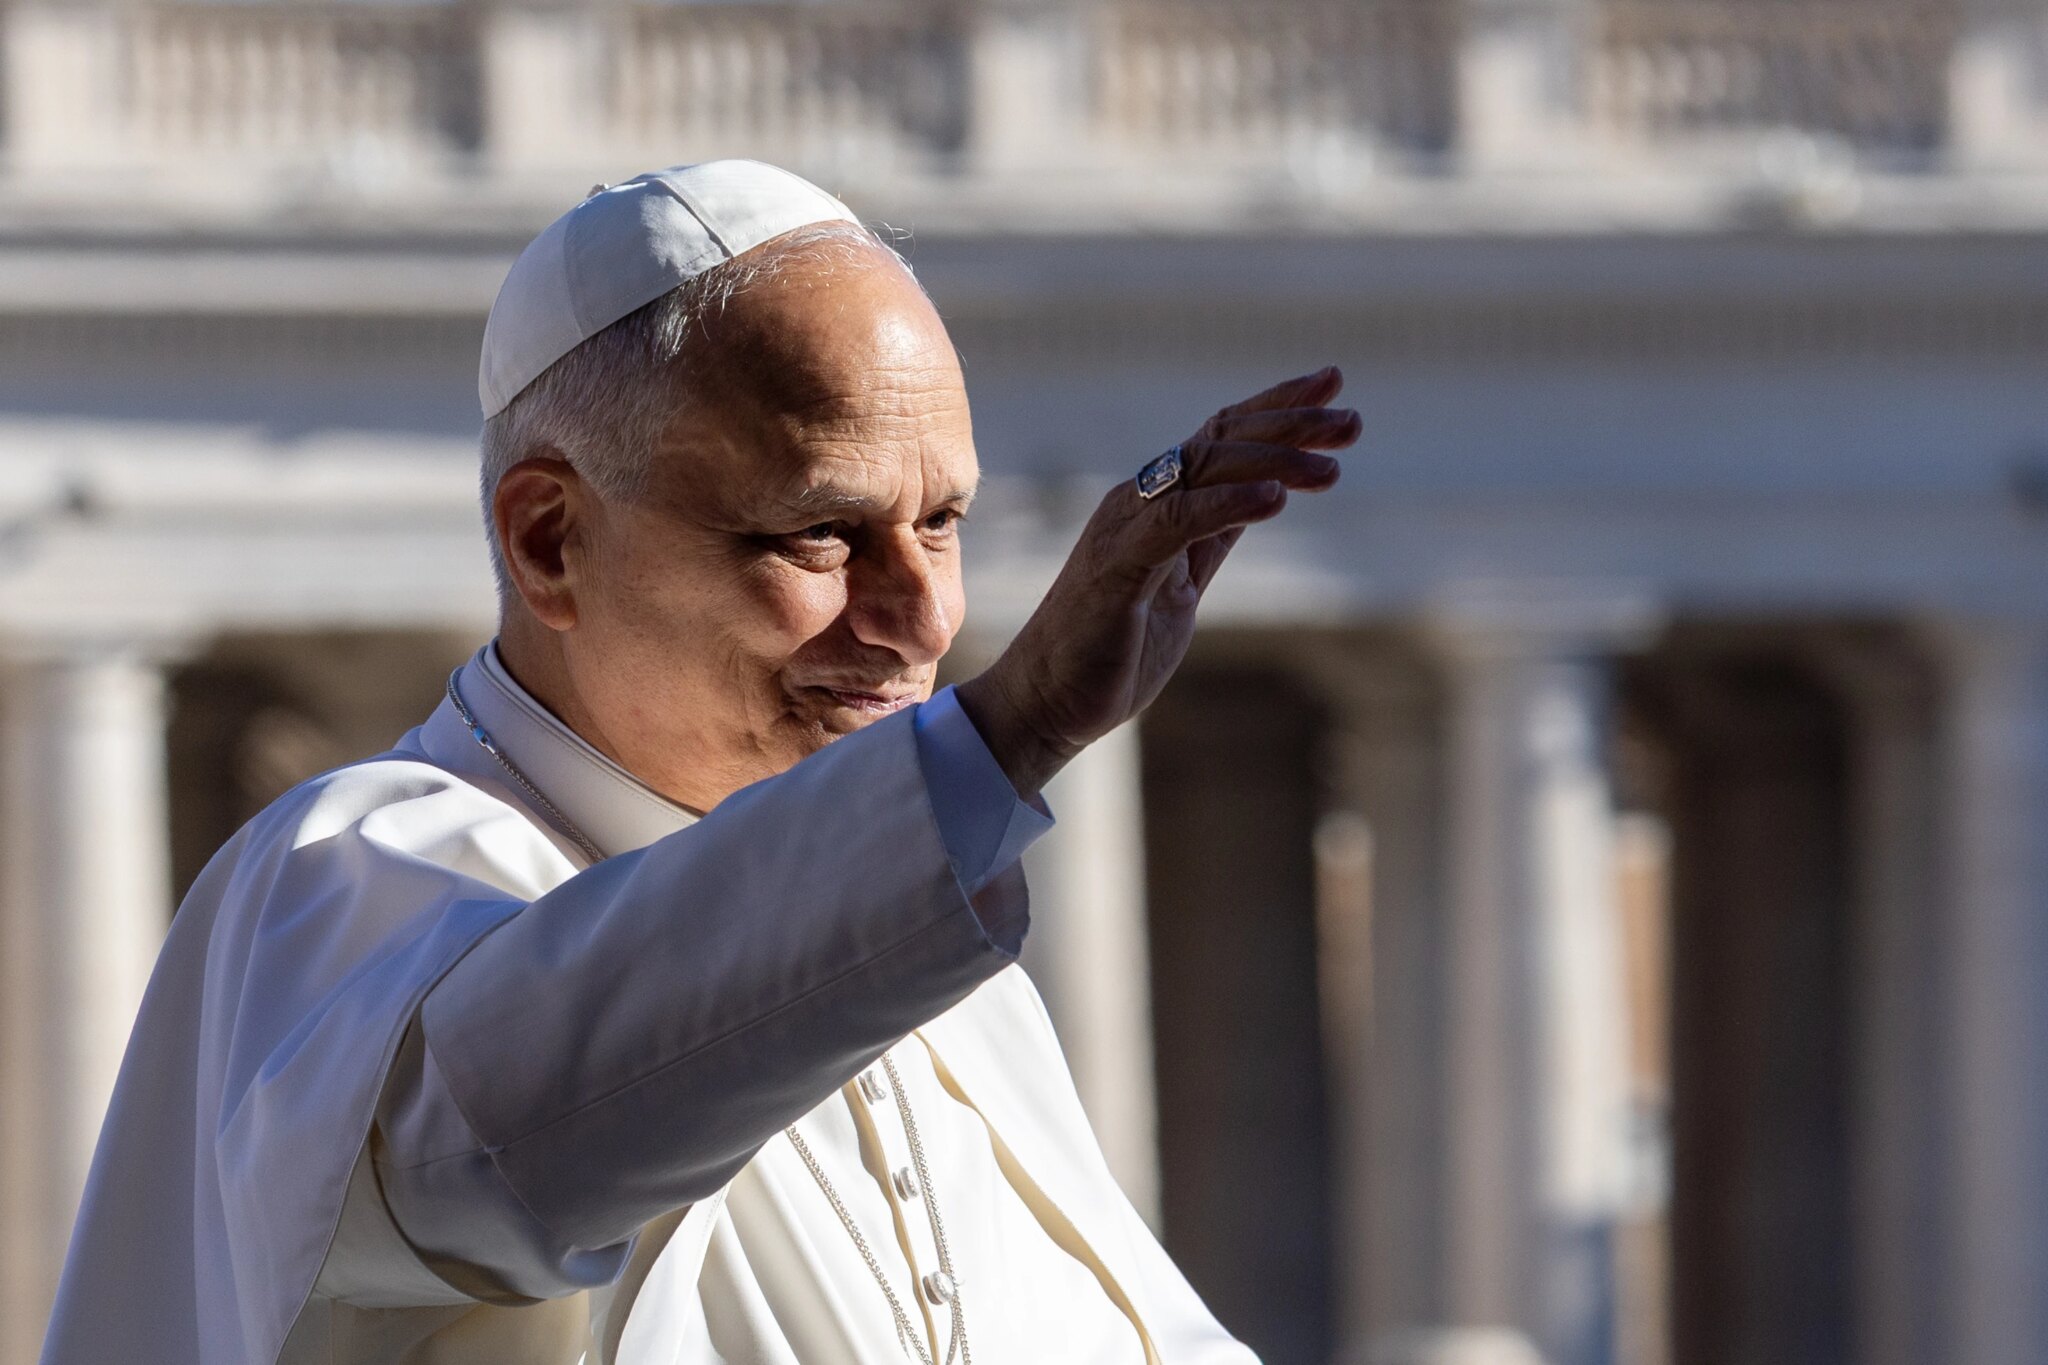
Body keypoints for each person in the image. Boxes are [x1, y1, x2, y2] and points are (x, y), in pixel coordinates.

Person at [40, 160, 1359, 1365]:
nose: (924, 620)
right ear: (551, 539)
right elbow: (493, 1142)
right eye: (825, 534)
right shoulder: (359, 872)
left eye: (942, 522)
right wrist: (1008, 733)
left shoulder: (951, 986)